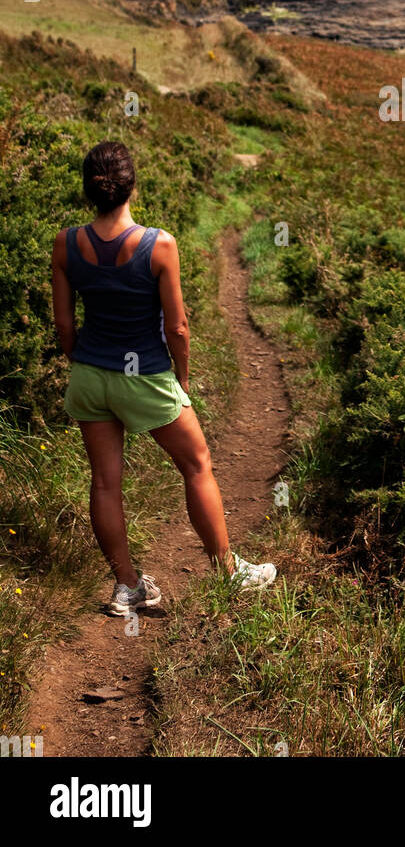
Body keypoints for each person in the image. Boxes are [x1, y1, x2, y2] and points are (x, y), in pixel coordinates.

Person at [51, 139, 276, 614]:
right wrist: (183, 379)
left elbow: (64, 325)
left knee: (105, 483)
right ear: (132, 185)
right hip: (145, 376)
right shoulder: (159, 244)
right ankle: (229, 574)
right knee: (197, 465)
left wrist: (85, 360)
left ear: (89, 189)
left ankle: (127, 586)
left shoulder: (66, 243)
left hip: (90, 376)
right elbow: (177, 326)